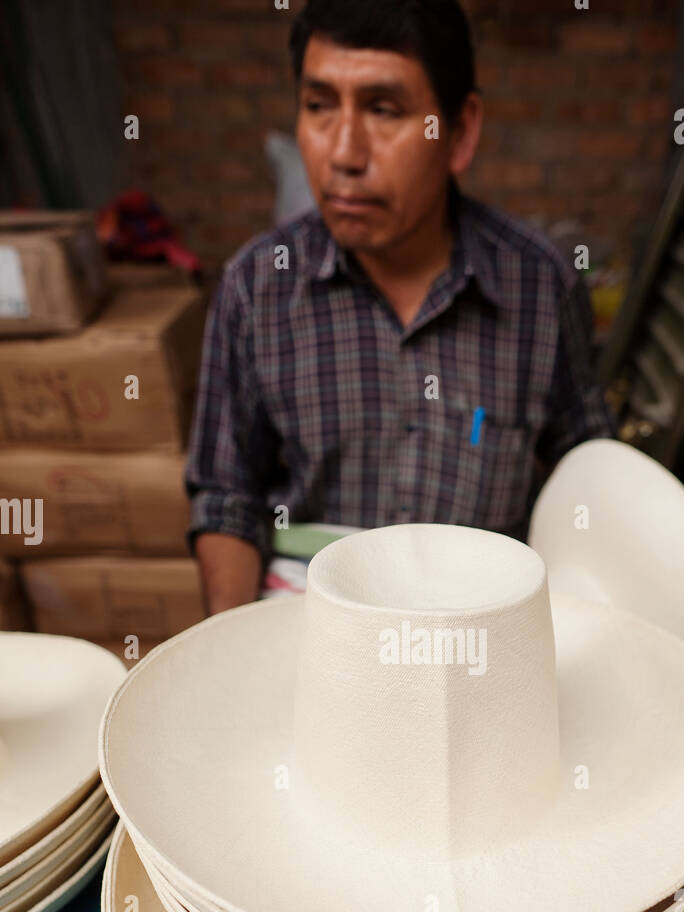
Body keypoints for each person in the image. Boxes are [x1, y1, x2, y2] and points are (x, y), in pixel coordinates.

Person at [186, 0, 613, 615]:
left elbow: (588, 479)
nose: (343, 155)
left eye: (384, 110)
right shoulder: (257, 286)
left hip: (474, 634)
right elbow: (226, 496)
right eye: (318, 106)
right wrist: (235, 656)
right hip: (305, 619)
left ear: (459, 132)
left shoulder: (538, 287)